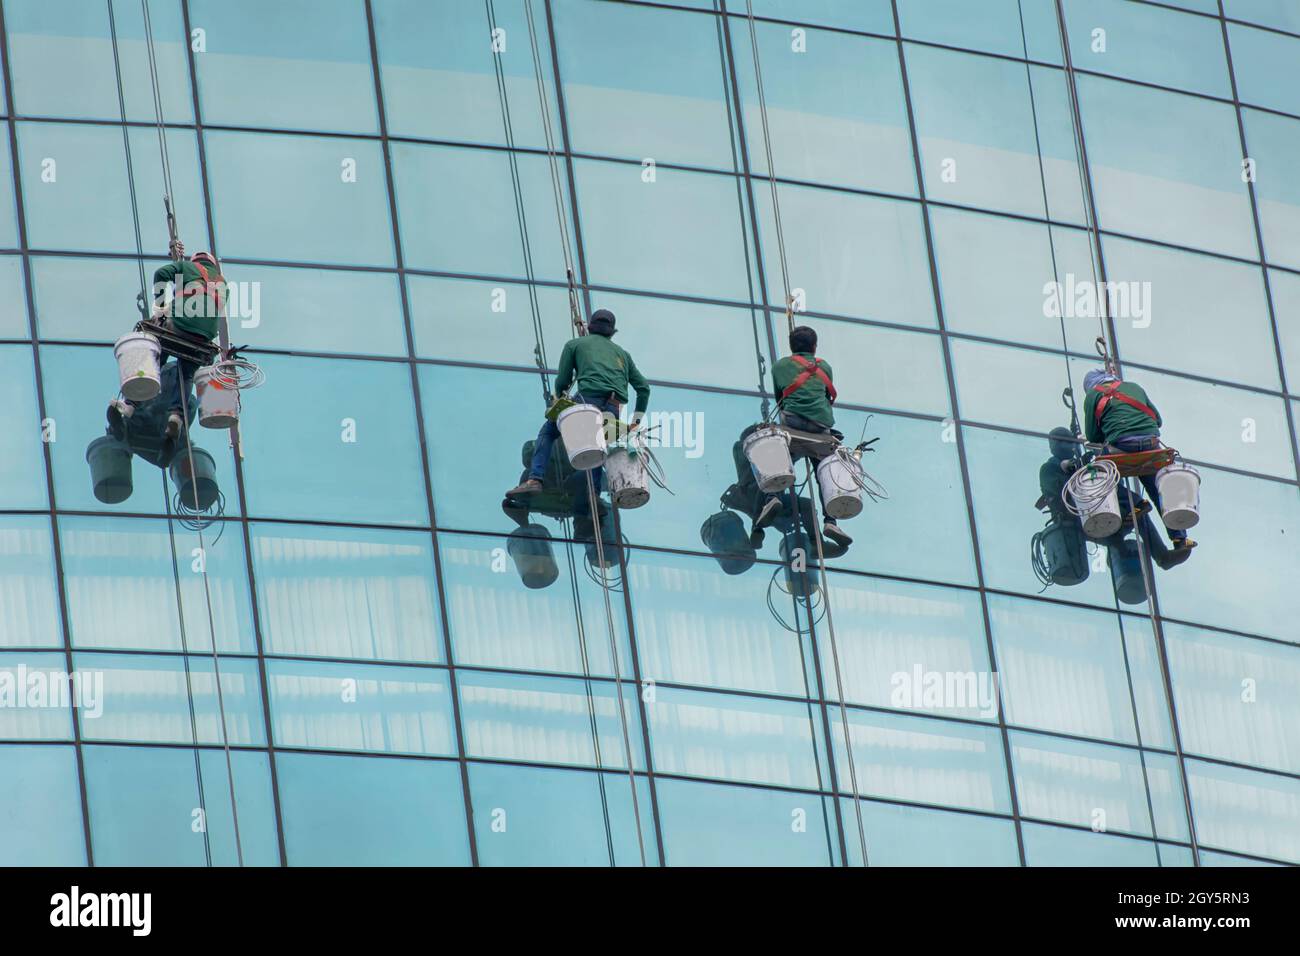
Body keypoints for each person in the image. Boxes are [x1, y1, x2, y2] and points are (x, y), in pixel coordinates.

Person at [505, 308, 650, 512]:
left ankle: (535, 479)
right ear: (612, 332)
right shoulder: (623, 355)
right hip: (613, 409)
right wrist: (636, 421)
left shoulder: (575, 345)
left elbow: (563, 381)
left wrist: (559, 401)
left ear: (590, 327)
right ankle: (595, 497)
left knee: (548, 431)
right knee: (598, 447)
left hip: (588, 402)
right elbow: (643, 389)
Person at [108, 245, 227, 443]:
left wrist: (161, 308)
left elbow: (161, 273)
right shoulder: (223, 284)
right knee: (186, 372)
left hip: (181, 326)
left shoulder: (189, 268)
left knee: (155, 348)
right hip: (203, 338)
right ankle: (177, 417)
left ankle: (129, 405)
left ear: (195, 262)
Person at [1082, 368, 1195, 559]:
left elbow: (1093, 436)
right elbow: (1157, 420)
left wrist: (1112, 428)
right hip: (1151, 445)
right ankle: (1180, 538)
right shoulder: (1134, 387)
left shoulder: (1093, 395)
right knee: (1155, 486)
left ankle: (1135, 501)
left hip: (1123, 445)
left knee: (1100, 475)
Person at [756, 325, 850, 547]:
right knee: (823, 471)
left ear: (791, 346)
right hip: (820, 427)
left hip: (793, 424)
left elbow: (780, 397)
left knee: (776, 454)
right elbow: (827, 396)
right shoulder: (824, 366)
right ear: (814, 347)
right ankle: (830, 520)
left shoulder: (779, 367)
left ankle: (773, 498)